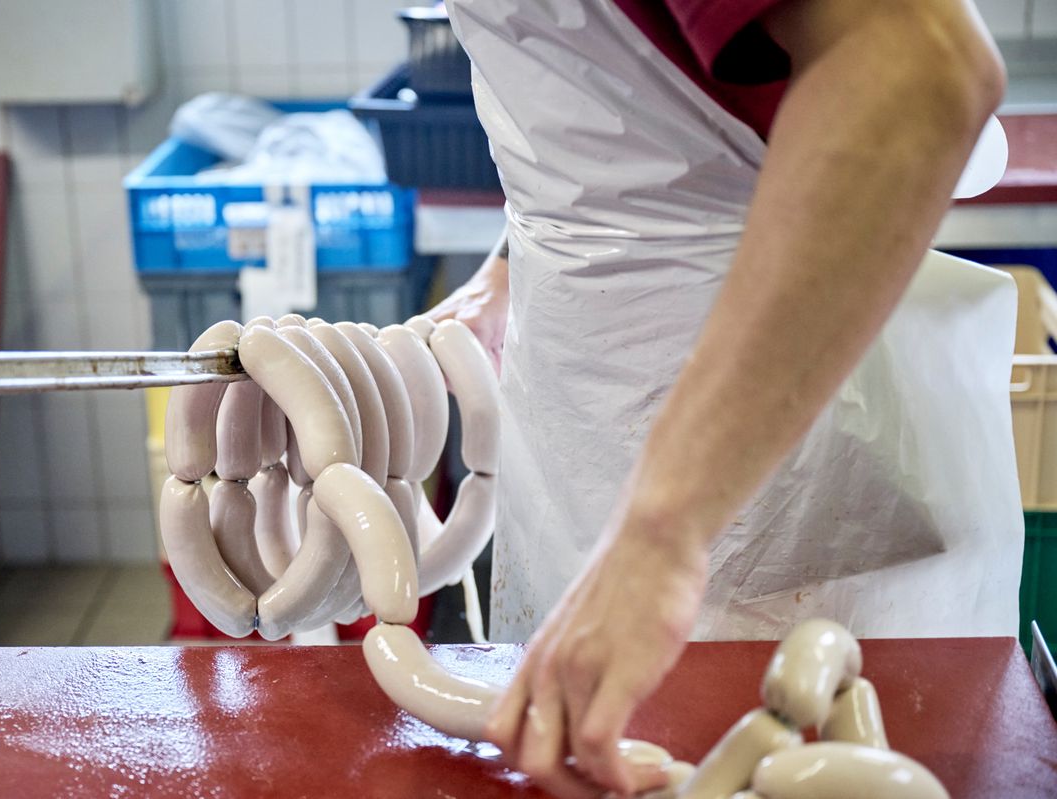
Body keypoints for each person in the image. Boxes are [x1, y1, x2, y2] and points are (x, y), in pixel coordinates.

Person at [424, 0, 1020, 796]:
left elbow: (919, 70)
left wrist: (663, 529)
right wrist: (515, 257)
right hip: (584, 403)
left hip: (777, 446)